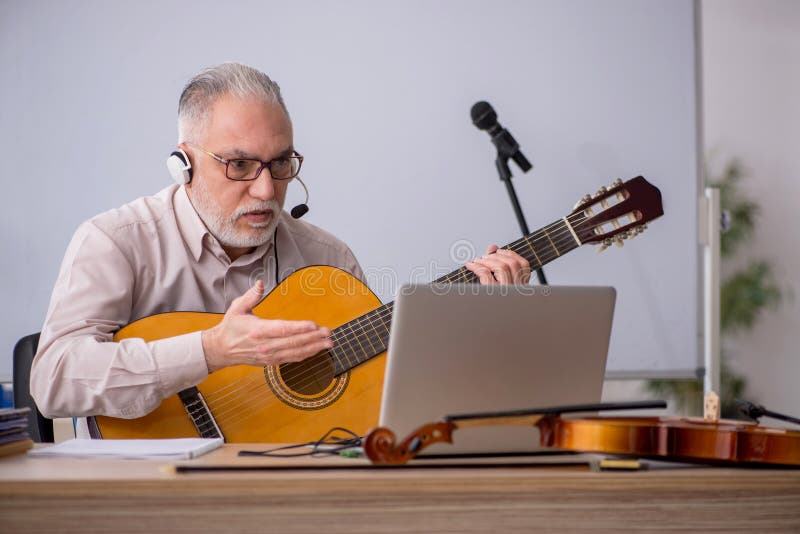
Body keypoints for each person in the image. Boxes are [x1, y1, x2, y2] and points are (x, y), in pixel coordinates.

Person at [30, 63, 531, 438]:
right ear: (182, 163)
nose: (267, 191)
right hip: (148, 499)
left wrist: (474, 322)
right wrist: (209, 351)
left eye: (281, 163)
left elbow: (381, 391)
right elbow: (54, 381)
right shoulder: (115, 240)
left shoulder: (328, 259)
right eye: (240, 165)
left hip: (294, 494)